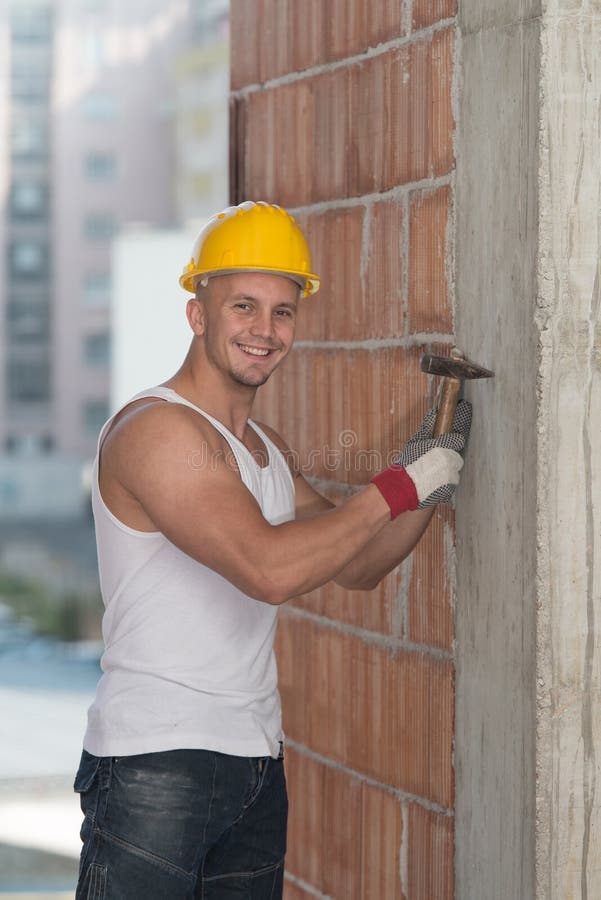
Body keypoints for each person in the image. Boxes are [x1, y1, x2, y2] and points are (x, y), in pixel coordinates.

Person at [74, 200, 471, 900]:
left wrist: (428, 476)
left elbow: (357, 564)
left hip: (254, 761)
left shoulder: (265, 450)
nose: (264, 330)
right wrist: (400, 484)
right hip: (156, 764)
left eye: (282, 311)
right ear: (198, 313)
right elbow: (270, 569)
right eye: (243, 307)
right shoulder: (156, 433)